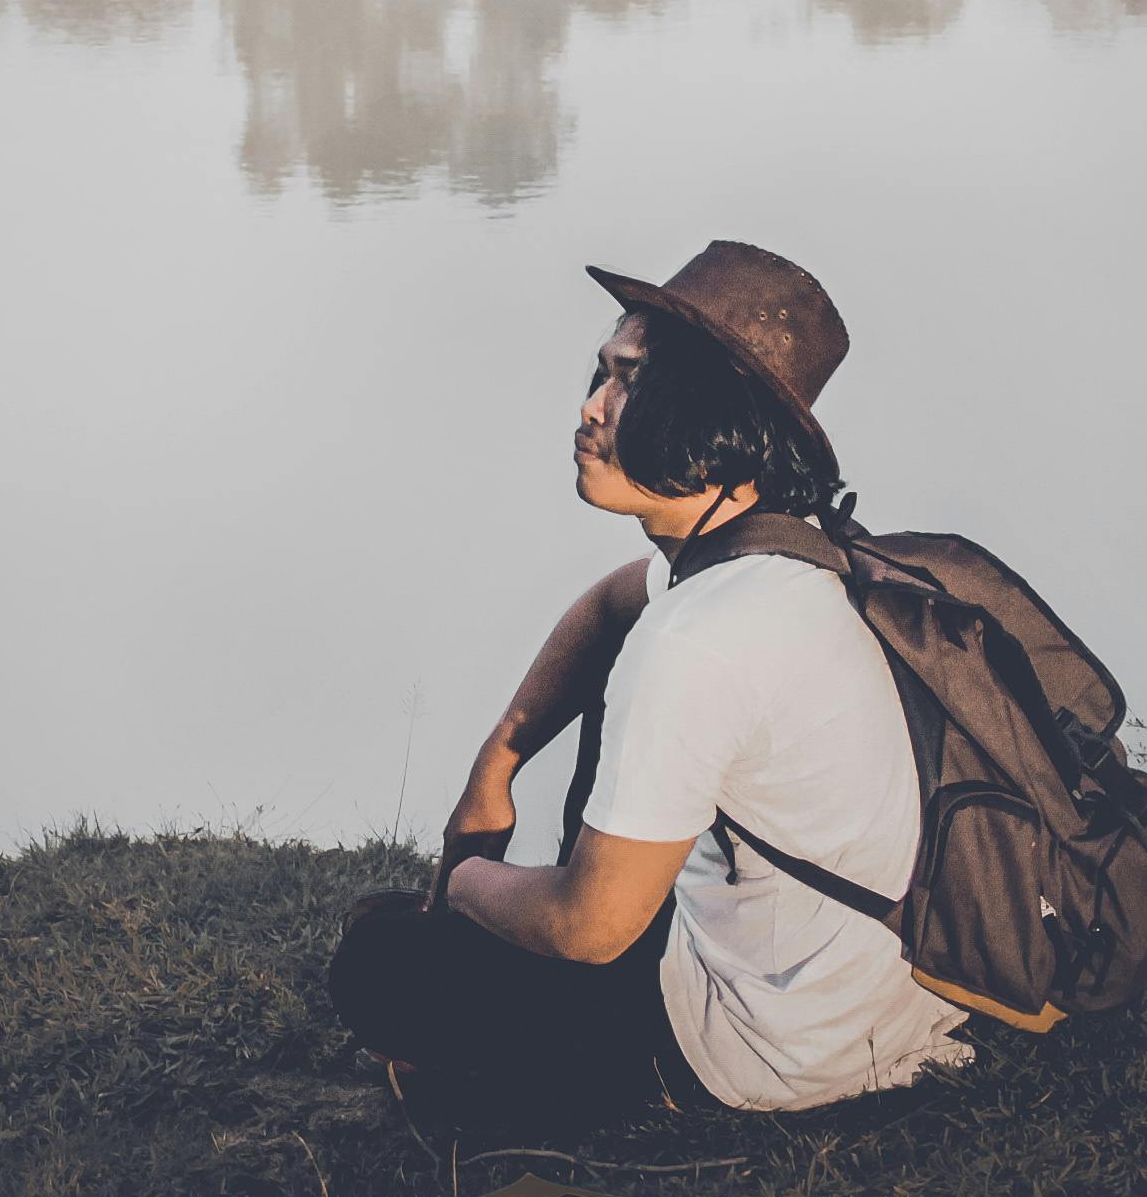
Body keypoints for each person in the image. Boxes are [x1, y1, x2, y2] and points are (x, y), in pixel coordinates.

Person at [328, 240, 972, 1140]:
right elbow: (610, 602)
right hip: (872, 1006)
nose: (589, 410)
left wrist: (470, 881)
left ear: (711, 417)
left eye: (626, 382)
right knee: (446, 920)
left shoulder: (698, 642)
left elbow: (592, 927)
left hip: (767, 1055)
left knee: (381, 957)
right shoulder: (777, 556)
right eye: (599, 374)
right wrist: (499, 760)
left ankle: (523, 1086)